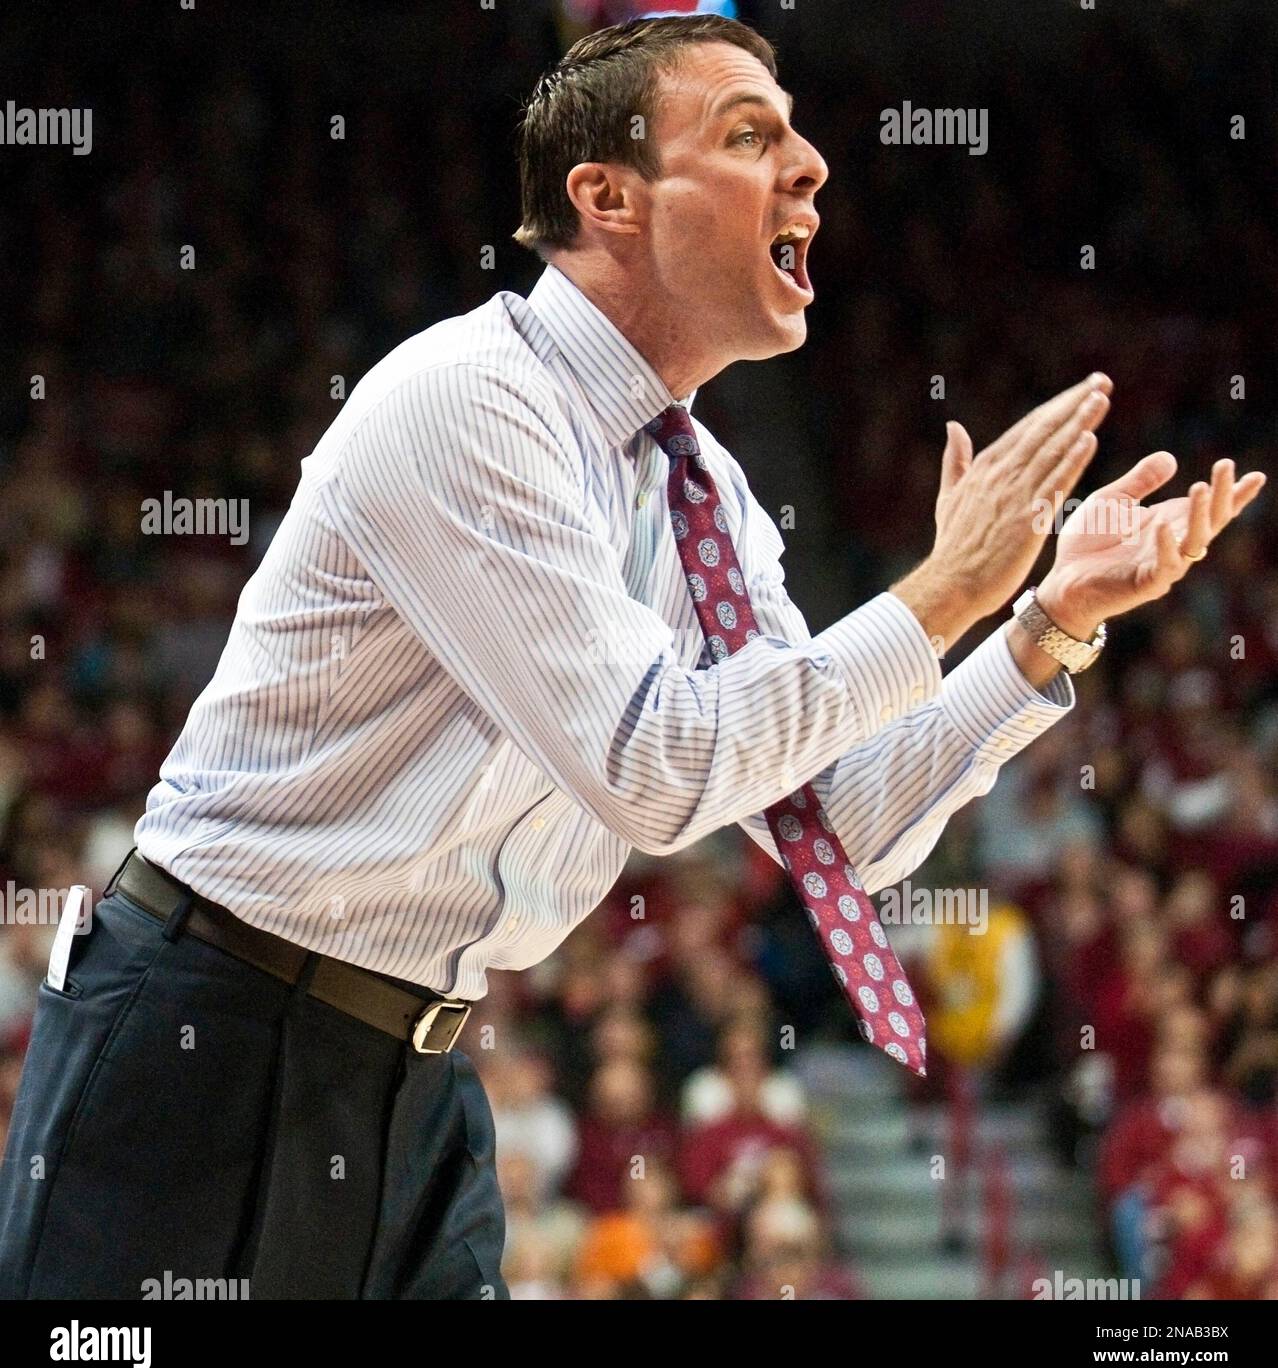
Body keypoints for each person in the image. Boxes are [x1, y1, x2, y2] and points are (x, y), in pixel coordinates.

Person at [0, 13, 1264, 1300]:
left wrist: (1041, 624)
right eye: (747, 133)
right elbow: (654, 770)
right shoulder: (471, 399)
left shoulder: (703, 485)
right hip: (211, 1030)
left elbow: (839, 821)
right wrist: (938, 592)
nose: (814, 165)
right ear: (608, 199)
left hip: (417, 1069)